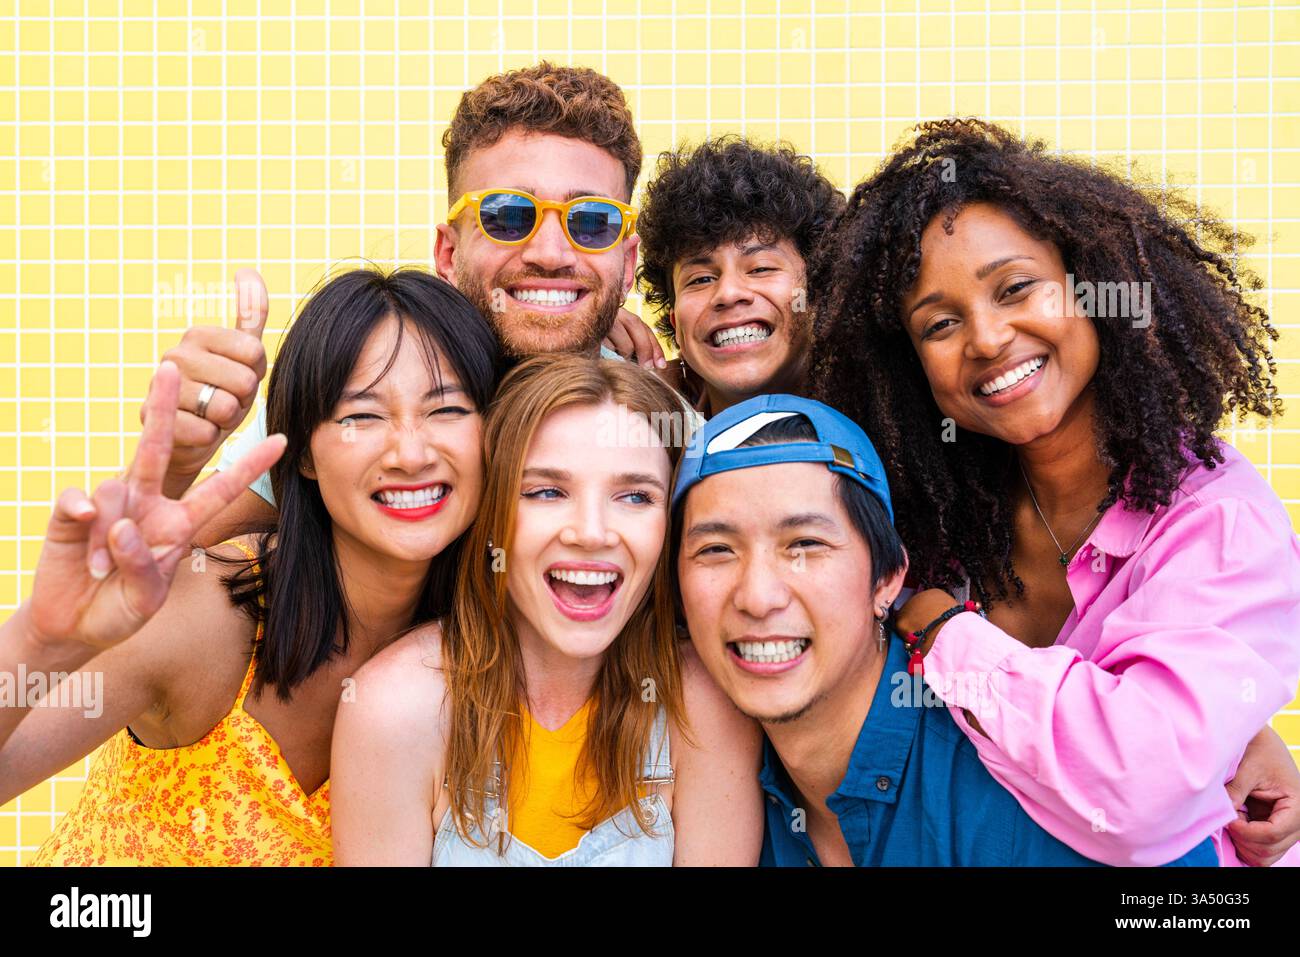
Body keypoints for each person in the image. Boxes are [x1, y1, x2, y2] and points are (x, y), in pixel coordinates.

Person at [811, 118, 1300, 867]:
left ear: (1093, 284)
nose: (987, 337)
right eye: (939, 324)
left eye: (1016, 288)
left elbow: (1141, 791)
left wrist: (945, 633)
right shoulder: (935, 514)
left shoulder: (1221, 525)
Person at [2, 267, 500, 864]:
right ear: (304, 455)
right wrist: (42, 638)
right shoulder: (206, 615)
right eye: (360, 416)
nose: (411, 453)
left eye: (446, 409)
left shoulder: (486, 663)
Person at [670, 393, 1216, 866]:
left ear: (887, 579)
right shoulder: (716, 792)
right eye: (715, 550)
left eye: (805, 545)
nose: (759, 597)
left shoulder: (1022, 766)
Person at [157, 62, 677, 534]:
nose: (549, 253)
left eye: (592, 222)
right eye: (508, 215)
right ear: (448, 252)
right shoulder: (362, 381)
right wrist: (173, 462)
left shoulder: (658, 424)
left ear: (627, 263)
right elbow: (161, 560)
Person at [331, 355, 763, 866]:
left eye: (634, 496)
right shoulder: (394, 707)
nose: (591, 532)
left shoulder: (706, 705)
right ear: (492, 516)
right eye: (547, 492)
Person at [635, 135, 844, 417]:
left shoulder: (887, 420)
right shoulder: (641, 424)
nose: (729, 294)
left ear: (817, 296)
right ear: (676, 322)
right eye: (701, 279)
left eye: (761, 269)